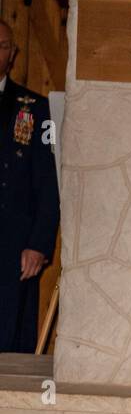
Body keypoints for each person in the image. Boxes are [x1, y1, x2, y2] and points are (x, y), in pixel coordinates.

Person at [0, 19, 60, 353]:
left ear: (12, 54)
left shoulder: (36, 110)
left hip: (13, 250)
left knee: (8, 344)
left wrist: (39, 244)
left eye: (3, 45)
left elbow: (48, 184)